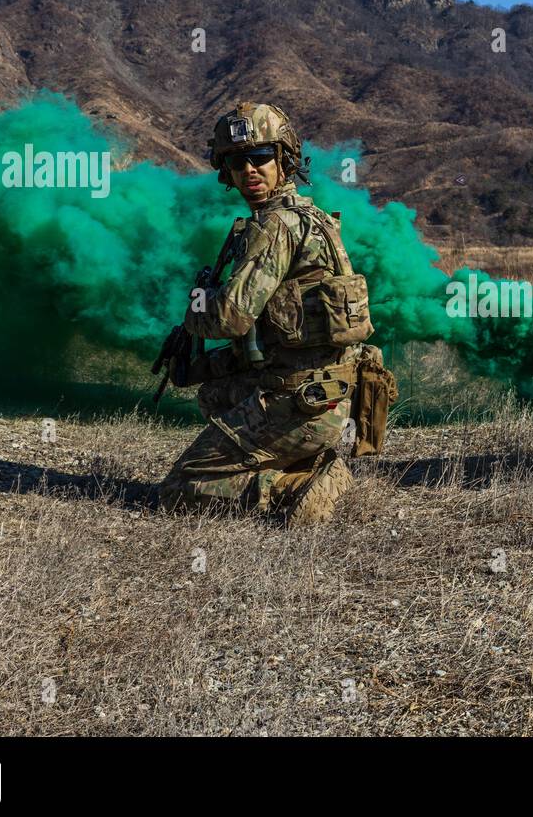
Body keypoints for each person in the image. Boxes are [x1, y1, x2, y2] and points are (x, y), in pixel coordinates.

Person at [158, 102, 386, 524]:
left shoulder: (275, 226)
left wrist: (196, 303)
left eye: (260, 157)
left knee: (179, 489)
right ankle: (294, 460)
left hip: (303, 404)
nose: (249, 170)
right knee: (211, 394)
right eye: (236, 161)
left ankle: (290, 487)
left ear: (284, 159)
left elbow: (230, 318)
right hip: (329, 397)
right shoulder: (314, 217)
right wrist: (201, 366)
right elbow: (274, 340)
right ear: (225, 171)